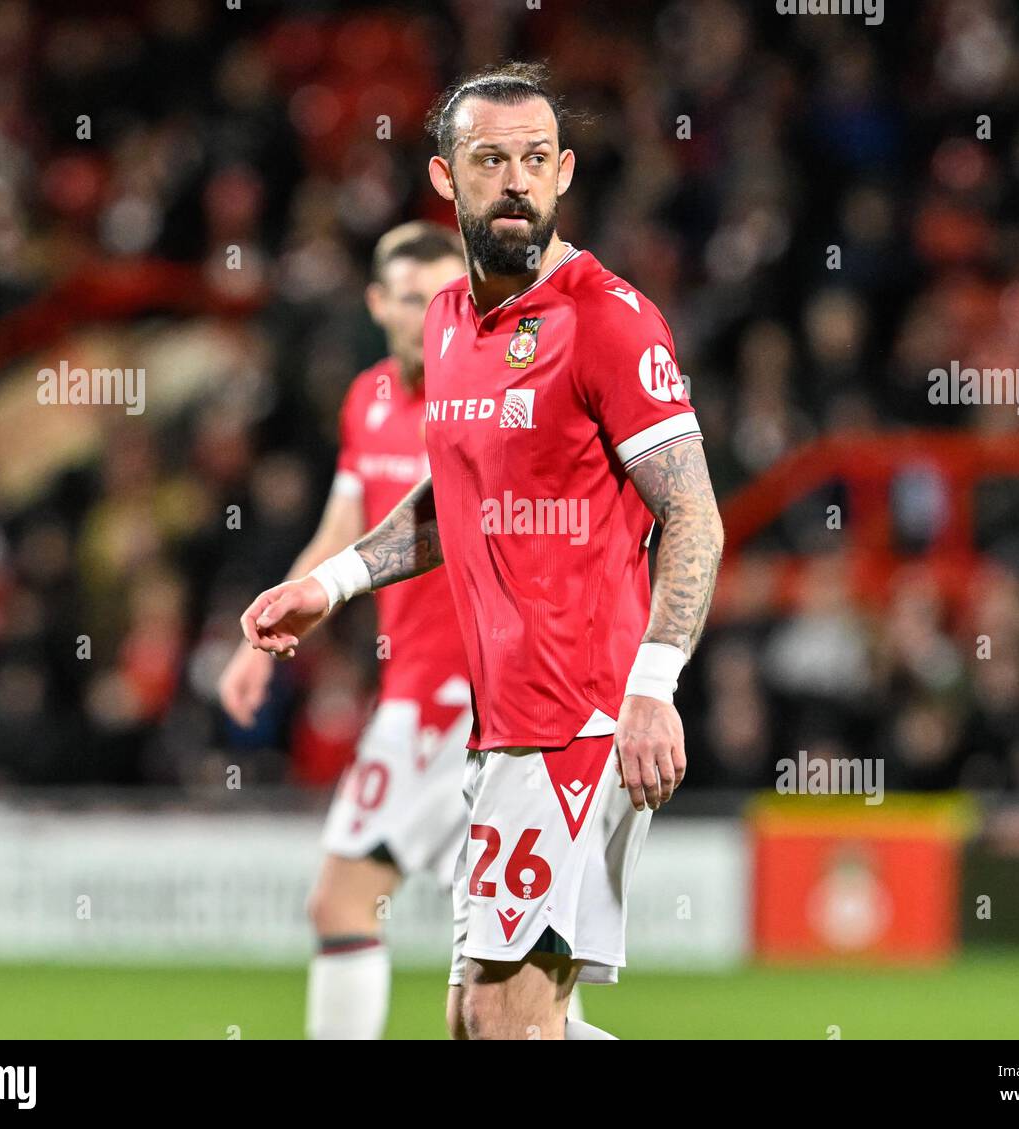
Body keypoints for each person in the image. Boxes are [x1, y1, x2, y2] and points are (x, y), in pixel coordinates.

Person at [240, 62, 724, 1041]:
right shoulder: (449, 322)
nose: (515, 179)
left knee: (505, 1016)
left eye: (535, 159)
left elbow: (696, 517)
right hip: (508, 722)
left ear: (566, 173)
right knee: (482, 1018)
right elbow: (446, 501)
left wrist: (652, 685)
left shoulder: (606, 321)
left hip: (580, 715)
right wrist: (330, 583)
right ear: (444, 178)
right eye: (490, 158)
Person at [219, 222, 471, 1039]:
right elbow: (341, 528)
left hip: (475, 694)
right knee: (507, 950)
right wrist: (260, 629)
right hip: (414, 692)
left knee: (360, 904)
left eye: (446, 300)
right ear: (377, 304)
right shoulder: (367, 396)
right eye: (411, 300)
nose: (429, 318)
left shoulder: (487, 401)